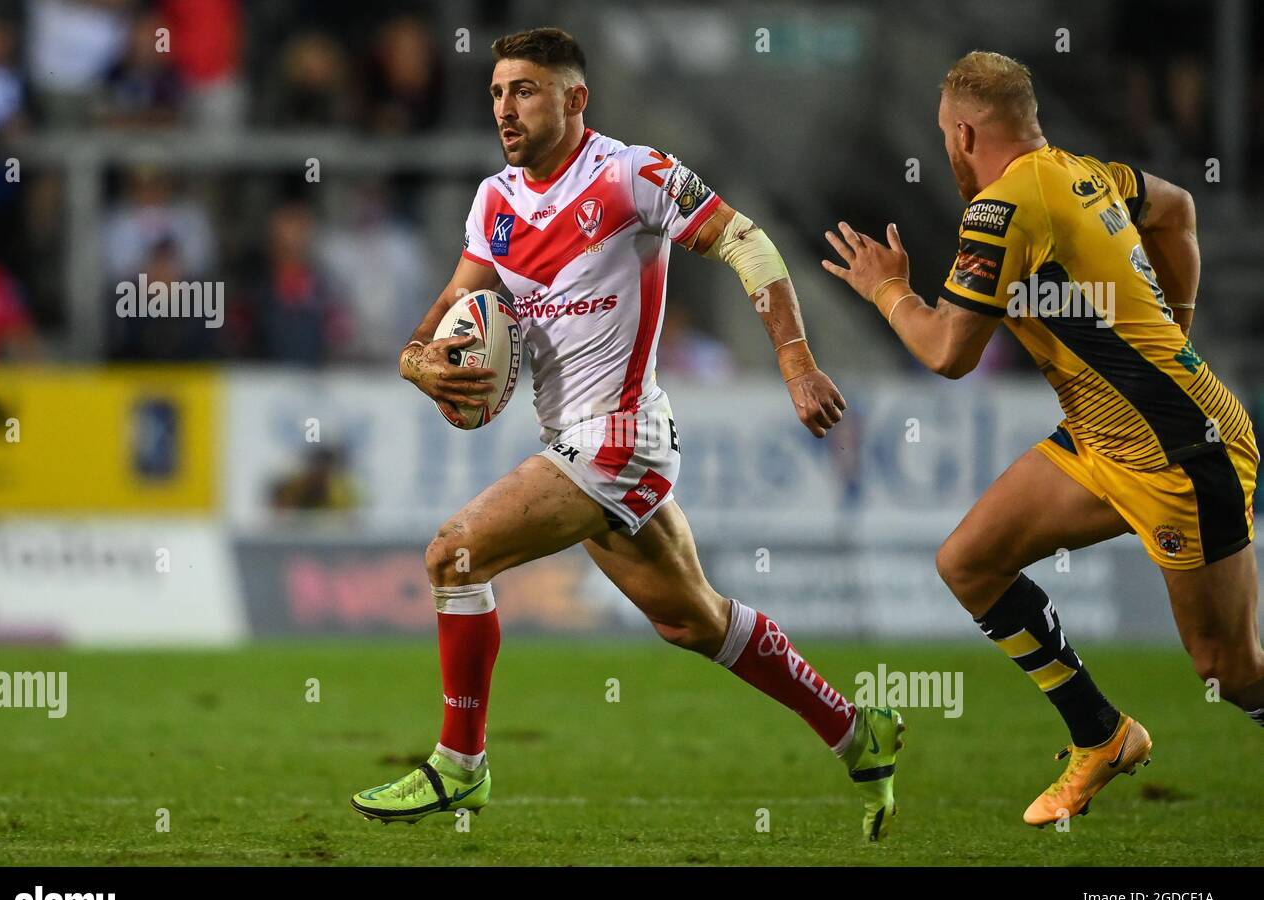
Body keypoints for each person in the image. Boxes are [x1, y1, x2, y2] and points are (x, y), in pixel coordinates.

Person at [350, 27, 905, 842]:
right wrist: (416, 363)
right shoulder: (494, 201)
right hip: (572, 439)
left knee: (454, 555)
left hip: (622, 434)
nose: (506, 107)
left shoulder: (629, 174)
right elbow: (443, 313)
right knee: (693, 622)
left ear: (576, 99)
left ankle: (459, 767)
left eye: (526, 90)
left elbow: (745, 241)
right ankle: (859, 734)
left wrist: (794, 360)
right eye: (499, 91)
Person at [822, 51, 1260, 827]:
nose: (946, 152)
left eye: (944, 138)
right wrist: (1170, 330)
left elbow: (947, 353)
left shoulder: (1000, 208)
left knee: (1226, 667)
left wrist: (885, 286)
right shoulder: (1093, 174)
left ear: (963, 134)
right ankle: (1103, 734)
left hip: (1181, 451)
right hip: (1107, 437)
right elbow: (1180, 210)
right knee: (970, 561)